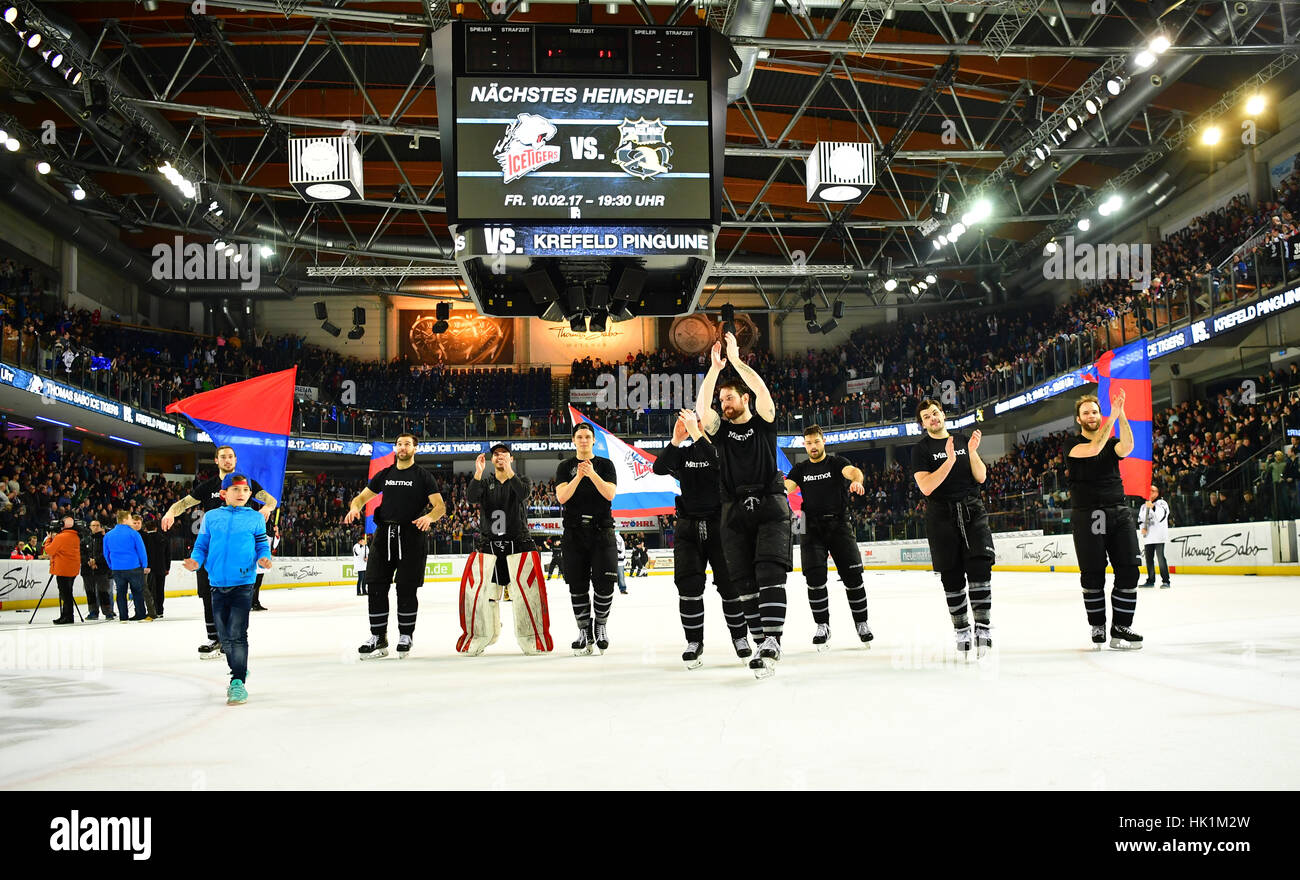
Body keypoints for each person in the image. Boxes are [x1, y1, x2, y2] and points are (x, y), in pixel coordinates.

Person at [697, 332, 793, 679]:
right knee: (742, 583)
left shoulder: (764, 421)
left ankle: (773, 640)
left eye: (729, 398)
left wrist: (736, 362)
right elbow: (700, 413)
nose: (723, 403)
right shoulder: (720, 431)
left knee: (768, 571)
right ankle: (760, 643)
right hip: (733, 510)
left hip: (769, 504)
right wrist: (714, 371)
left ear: (744, 399)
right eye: (721, 399)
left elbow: (764, 391)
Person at [653, 409, 759, 668]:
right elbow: (659, 468)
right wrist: (676, 441)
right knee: (688, 587)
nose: (691, 424)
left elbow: (719, 463)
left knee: (730, 586)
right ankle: (694, 641)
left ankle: (740, 638)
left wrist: (698, 434)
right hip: (688, 527)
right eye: (689, 421)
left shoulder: (724, 448)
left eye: (697, 420)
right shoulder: (685, 453)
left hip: (721, 525)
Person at [161, 445, 278, 659]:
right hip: (210, 548)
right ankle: (214, 638)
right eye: (223, 457)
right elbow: (185, 503)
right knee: (207, 594)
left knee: (236, 594)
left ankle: (230, 638)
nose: (228, 460)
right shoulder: (208, 487)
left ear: (235, 459)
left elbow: (271, 500)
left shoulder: (245, 483)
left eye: (231, 457)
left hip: (239, 550)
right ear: (216, 461)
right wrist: (170, 512)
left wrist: (266, 508)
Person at [343, 433, 446, 659]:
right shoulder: (385, 474)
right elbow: (360, 498)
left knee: (406, 588)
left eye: (407, 444)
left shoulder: (423, 476)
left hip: (411, 536)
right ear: (395, 448)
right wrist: (355, 507)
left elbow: (440, 507)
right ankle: (378, 636)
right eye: (399, 444)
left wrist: (429, 517)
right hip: (383, 536)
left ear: (415, 449)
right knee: (376, 585)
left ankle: (405, 635)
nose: (402, 447)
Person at [910, 399, 994, 658]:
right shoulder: (921, 450)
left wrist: (972, 452)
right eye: (927, 416)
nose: (933, 418)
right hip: (941, 516)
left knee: (980, 567)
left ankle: (983, 627)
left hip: (972, 510)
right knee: (952, 575)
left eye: (935, 413)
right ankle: (962, 630)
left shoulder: (962, 440)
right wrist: (947, 461)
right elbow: (926, 487)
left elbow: (981, 477)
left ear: (943, 414)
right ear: (922, 424)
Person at [183, 474, 273, 705]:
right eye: (235, 489)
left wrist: (263, 557)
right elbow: (201, 546)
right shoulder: (211, 517)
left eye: (244, 490)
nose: (241, 494)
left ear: (250, 495)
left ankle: (237, 681)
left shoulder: (255, 518)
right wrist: (195, 561)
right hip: (216, 584)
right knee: (224, 636)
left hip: (243, 583)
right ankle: (239, 667)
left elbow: (262, 543)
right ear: (223, 494)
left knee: (237, 633)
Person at [457, 443, 552, 656]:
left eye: (504, 454)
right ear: (491, 460)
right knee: (485, 596)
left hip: (518, 543)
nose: (499, 457)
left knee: (526, 595)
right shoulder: (485, 482)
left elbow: (523, 493)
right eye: (496, 455)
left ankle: (530, 637)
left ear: (511, 458)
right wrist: (479, 473)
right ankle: (486, 633)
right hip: (488, 544)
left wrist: (509, 471)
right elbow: (471, 497)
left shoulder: (522, 480)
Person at [784, 424, 873, 652]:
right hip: (808, 525)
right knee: (814, 580)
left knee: (853, 577)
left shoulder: (836, 463)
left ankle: (861, 623)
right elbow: (788, 487)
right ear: (805, 445)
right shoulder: (800, 469)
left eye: (816, 442)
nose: (813, 446)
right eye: (809, 443)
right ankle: (822, 626)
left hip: (839, 523)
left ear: (823, 441)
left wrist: (857, 481)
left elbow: (853, 472)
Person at [1067, 392, 1143, 650]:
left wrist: (1121, 413)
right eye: (1087, 412)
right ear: (1079, 419)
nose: (1092, 416)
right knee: (1093, 573)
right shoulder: (1074, 446)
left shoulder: (1111, 444)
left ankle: (1121, 626)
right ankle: (1097, 624)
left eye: (1095, 412)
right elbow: (1095, 447)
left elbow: (1128, 446)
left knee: (1130, 569)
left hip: (1118, 511)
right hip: (1090, 514)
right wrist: (1112, 416)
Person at [554, 422, 618, 655]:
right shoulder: (565, 466)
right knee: (577, 585)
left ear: (594, 440)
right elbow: (562, 497)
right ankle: (584, 631)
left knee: (605, 584)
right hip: (574, 532)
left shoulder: (605, 464)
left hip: (602, 531)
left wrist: (591, 474)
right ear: (573, 440)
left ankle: (600, 625)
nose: (583, 440)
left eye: (587, 436)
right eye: (579, 436)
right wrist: (579, 477)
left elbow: (610, 494)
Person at [103, 510, 150, 621]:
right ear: (124, 520)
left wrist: (111, 565)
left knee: (120, 593)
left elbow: (106, 553)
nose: (131, 521)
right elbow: (141, 551)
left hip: (117, 568)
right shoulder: (134, 533)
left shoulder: (108, 535)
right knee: (137, 591)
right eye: (129, 518)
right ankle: (140, 614)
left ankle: (123, 616)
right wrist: (144, 565)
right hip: (133, 567)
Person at [42, 517, 81, 625]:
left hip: (63, 569)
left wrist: (49, 539)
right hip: (72, 569)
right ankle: (67, 615)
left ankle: (67, 616)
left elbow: (49, 550)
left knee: (65, 594)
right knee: (68, 593)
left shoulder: (61, 537)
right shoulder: (76, 536)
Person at [81, 519, 114, 620]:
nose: (95, 527)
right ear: (90, 527)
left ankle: (108, 612)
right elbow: (81, 554)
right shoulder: (84, 540)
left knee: (103, 592)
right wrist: (88, 561)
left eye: (97, 525)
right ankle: (93, 612)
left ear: (100, 527)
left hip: (102, 570)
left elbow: (107, 554)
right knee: (90, 592)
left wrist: (96, 561)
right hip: (87, 570)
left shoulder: (105, 539)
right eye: (93, 525)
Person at [1139, 485, 1171, 589]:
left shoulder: (1162, 503)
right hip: (1149, 537)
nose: (1150, 493)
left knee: (1160, 558)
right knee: (1149, 559)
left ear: (1157, 493)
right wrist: (1142, 528)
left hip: (1159, 535)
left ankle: (1166, 581)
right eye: (1149, 491)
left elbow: (1162, 516)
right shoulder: (1144, 506)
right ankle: (1150, 580)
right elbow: (1141, 519)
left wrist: (1153, 507)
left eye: (1153, 491)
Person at [130, 515, 160, 620]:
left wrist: (148, 566)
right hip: (132, 566)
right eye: (134, 523)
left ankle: (152, 612)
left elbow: (150, 552)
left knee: (144, 589)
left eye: (138, 523)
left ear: (141, 524)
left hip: (143, 566)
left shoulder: (146, 536)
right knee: (135, 590)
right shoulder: (130, 535)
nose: (136, 525)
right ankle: (139, 612)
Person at [142, 515, 171, 618]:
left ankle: (152, 609)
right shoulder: (163, 538)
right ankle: (160, 611)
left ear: (146, 528)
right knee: (160, 589)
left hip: (149, 568)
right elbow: (168, 555)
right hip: (161, 568)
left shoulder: (144, 539)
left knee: (150, 589)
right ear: (156, 528)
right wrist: (167, 568)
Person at [250, 525, 280, 611]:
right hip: (256, 561)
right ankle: (251, 602)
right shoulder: (257, 535)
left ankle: (255, 602)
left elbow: (274, 545)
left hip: (263, 562)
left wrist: (276, 533)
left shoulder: (269, 536)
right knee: (253, 584)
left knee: (258, 583)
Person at [615, 530, 629, 594]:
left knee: (620, 575)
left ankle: (622, 588)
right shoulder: (619, 538)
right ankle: (622, 588)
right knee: (621, 575)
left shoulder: (618, 538)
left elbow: (620, 550)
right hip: (617, 559)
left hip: (618, 559)